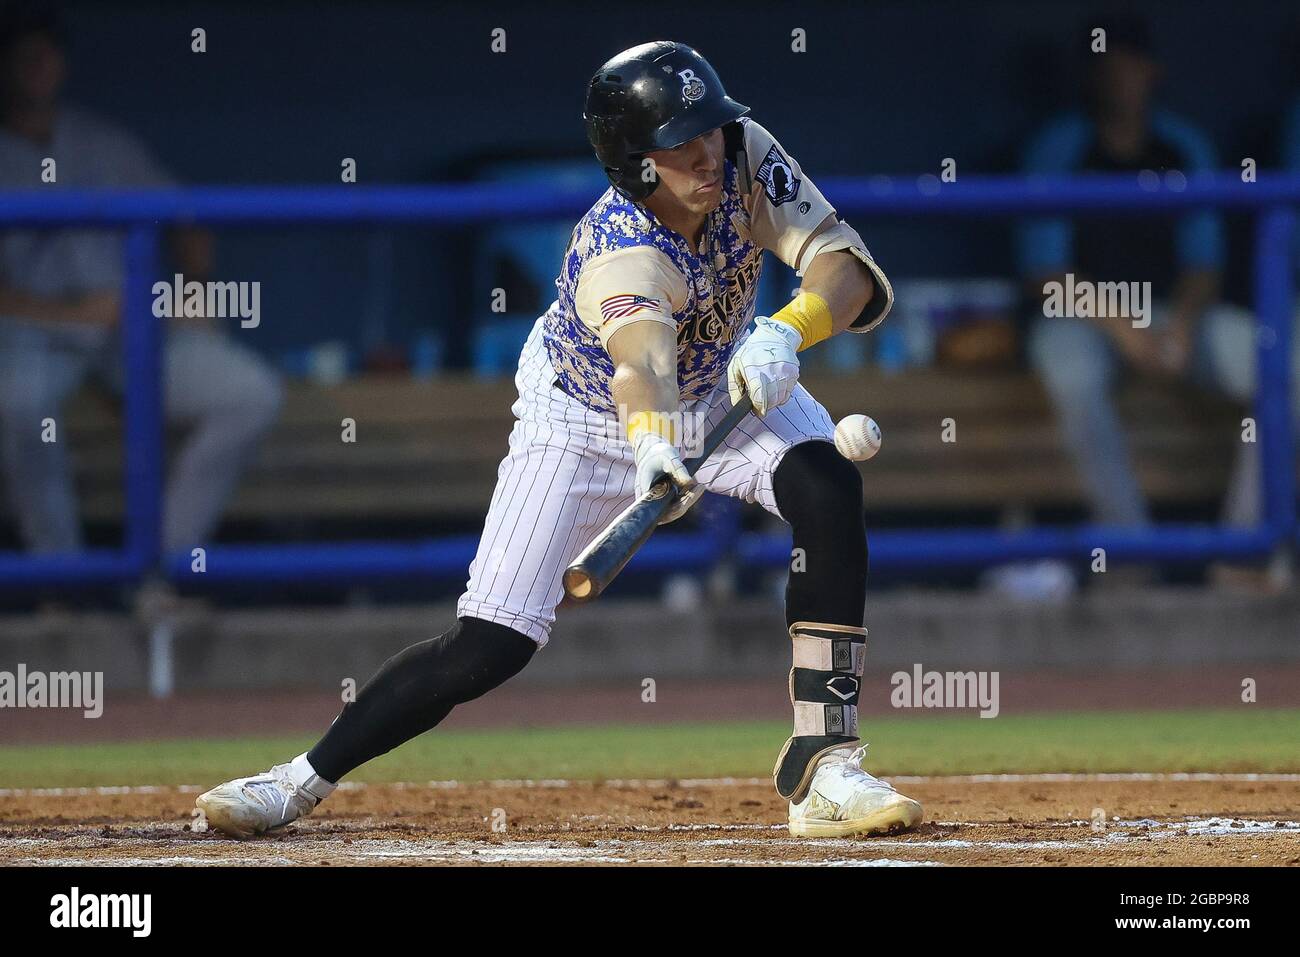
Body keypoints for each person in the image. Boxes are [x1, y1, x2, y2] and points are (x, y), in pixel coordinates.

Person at [196, 41, 923, 840]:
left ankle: (827, 767)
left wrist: (788, 328)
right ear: (634, 163)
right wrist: (653, 447)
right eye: (680, 143)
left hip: (726, 378)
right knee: (489, 643)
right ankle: (295, 781)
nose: (707, 153)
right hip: (583, 418)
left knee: (826, 483)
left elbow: (845, 267)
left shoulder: (744, 155)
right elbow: (643, 365)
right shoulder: (618, 248)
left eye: (710, 129)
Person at [0, 6, 283, 556]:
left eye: (47, 50)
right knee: (20, 408)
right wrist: (74, 313)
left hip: (128, 328)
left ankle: (164, 562)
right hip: (32, 335)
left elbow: (187, 221)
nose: (37, 62)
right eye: (23, 51)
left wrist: (196, 292)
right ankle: (62, 576)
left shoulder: (100, 142)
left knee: (251, 394)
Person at [1019, 15, 1299, 539]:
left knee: (1285, 365)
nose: (1119, 77)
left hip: (1173, 314)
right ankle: (1129, 546)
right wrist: (1123, 327)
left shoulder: (1182, 145)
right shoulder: (1060, 147)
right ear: (1089, 75)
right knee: (1072, 375)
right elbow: (1044, 272)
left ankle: (1246, 545)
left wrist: (1183, 327)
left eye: (1130, 64)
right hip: (1084, 317)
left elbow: (1204, 263)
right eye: (1107, 65)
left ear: (1152, 71)